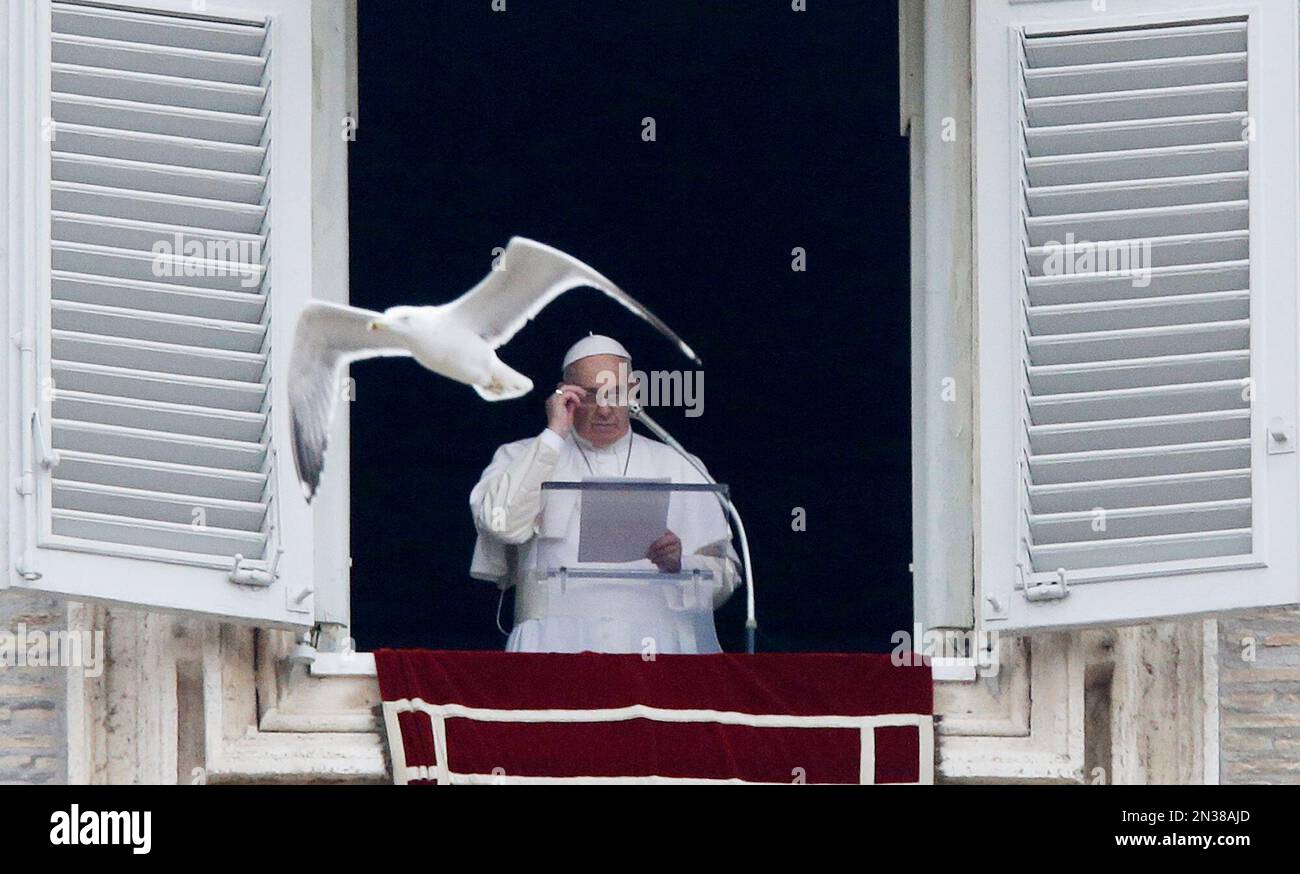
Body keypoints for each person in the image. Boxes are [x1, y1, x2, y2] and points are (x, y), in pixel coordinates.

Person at [469, 334, 740, 653]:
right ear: (564, 394)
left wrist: (680, 563)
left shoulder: (681, 464)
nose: (605, 409)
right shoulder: (521, 456)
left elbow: (726, 577)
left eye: (616, 393)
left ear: (635, 390)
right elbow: (499, 524)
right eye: (590, 395)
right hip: (551, 644)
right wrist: (554, 434)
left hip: (661, 645)